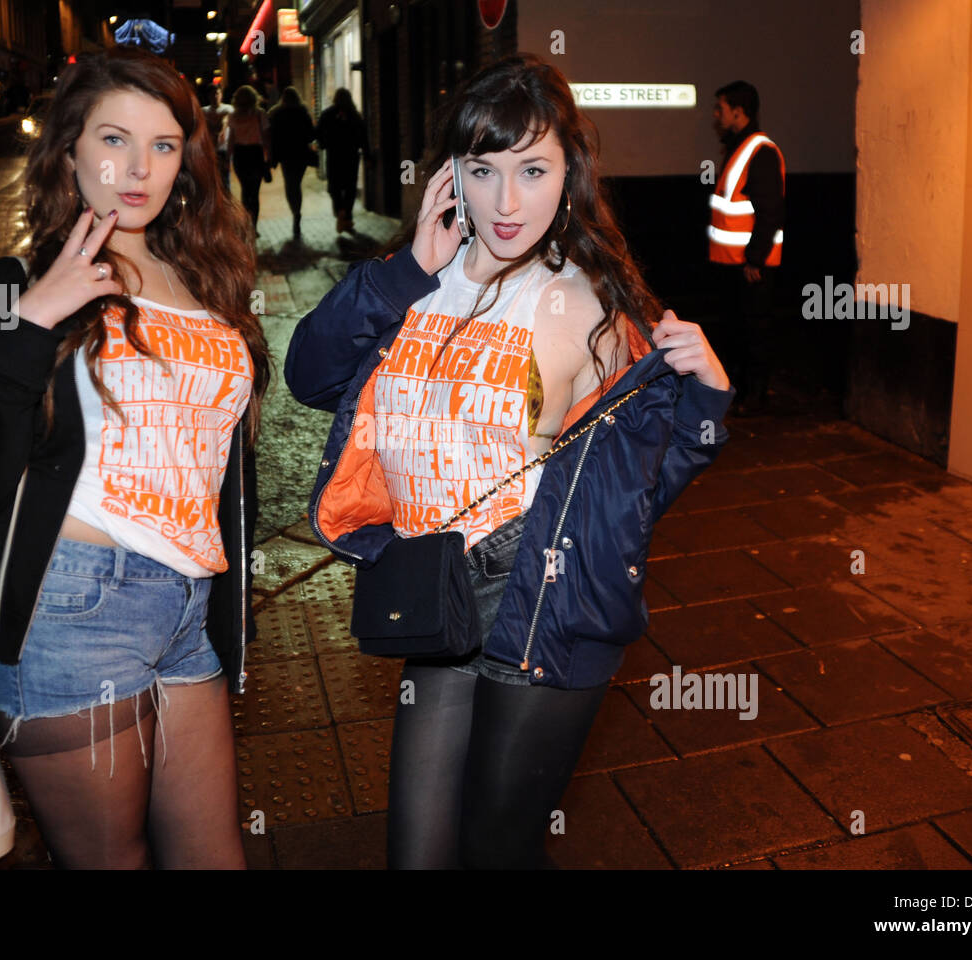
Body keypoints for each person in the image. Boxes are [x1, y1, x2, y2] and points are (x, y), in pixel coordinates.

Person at [285, 53, 735, 868]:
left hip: (542, 600)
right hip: (438, 592)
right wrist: (402, 274)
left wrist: (705, 400)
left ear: (570, 173)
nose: (506, 203)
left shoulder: (587, 303)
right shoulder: (415, 279)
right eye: (483, 169)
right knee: (417, 855)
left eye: (533, 170)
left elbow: (633, 489)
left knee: (499, 849)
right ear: (450, 172)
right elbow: (309, 374)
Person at [0, 44, 269, 869]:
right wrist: (34, 322)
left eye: (164, 145)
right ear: (70, 150)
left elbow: (222, 464)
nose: (139, 168)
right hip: (73, 608)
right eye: (114, 140)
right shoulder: (14, 281)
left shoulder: (206, 278)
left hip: (189, 605)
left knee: (214, 857)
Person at [708, 80, 785, 416]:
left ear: (738, 112)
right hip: (732, 263)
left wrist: (754, 259)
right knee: (737, 331)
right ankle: (739, 392)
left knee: (754, 332)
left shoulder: (760, 151)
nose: (716, 115)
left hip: (750, 266)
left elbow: (771, 211)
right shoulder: (739, 148)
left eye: (721, 109)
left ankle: (755, 397)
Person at [267, 86, 317, 242]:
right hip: (300, 154)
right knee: (296, 183)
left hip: (286, 155)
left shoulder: (277, 114)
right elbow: (311, 135)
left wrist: (272, 156)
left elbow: (272, 136)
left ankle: (295, 212)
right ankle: (297, 212)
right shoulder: (303, 112)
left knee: (290, 185)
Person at [316, 88, 369, 234]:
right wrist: (367, 155)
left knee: (335, 187)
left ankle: (340, 211)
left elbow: (318, 133)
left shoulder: (327, 114)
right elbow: (363, 137)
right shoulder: (355, 115)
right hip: (351, 157)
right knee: (350, 188)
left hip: (334, 156)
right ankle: (347, 217)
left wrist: (324, 144)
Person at [223, 85, 271, 236]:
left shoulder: (233, 116)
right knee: (254, 193)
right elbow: (266, 137)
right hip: (255, 154)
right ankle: (253, 226)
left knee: (245, 190)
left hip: (240, 155)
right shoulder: (260, 114)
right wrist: (269, 156)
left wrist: (228, 158)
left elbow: (231, 139)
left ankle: (247, 226)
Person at [202, 82, 234, 193]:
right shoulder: (204, 111)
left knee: (225, 180)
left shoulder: (228, 109)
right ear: (208, 96)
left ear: (221, 94)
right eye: (212, 94)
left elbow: (226, 120)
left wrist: (222, 130)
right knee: (212, 179)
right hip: (209, 150)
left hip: (223, 149)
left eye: (217, 93)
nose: (215, 96)